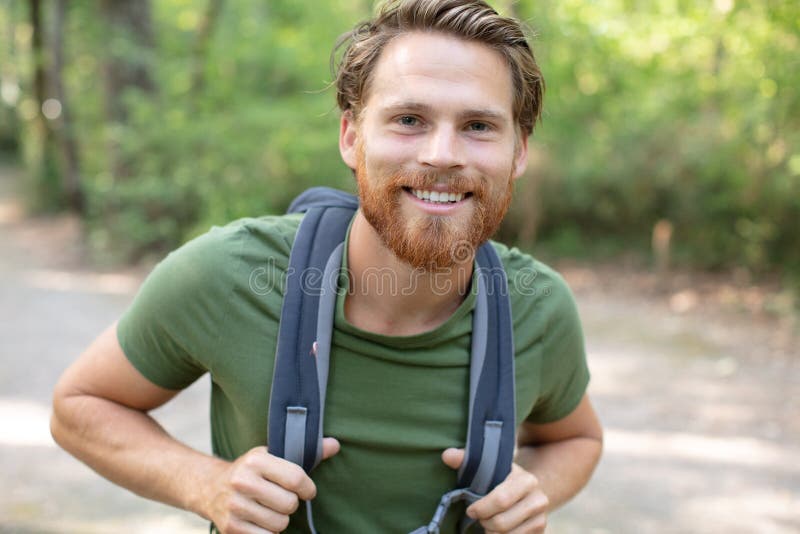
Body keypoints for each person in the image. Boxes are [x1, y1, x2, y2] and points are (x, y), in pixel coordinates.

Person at [51, 0, 603, 532]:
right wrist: (207, 484)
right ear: (351, 136)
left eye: (479, 126)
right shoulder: (227, 274)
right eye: (409, 119)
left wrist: (535, 491)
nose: (442, 154)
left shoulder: (539, 307)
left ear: (519, 151)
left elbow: (577, 439)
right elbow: (80, 405)